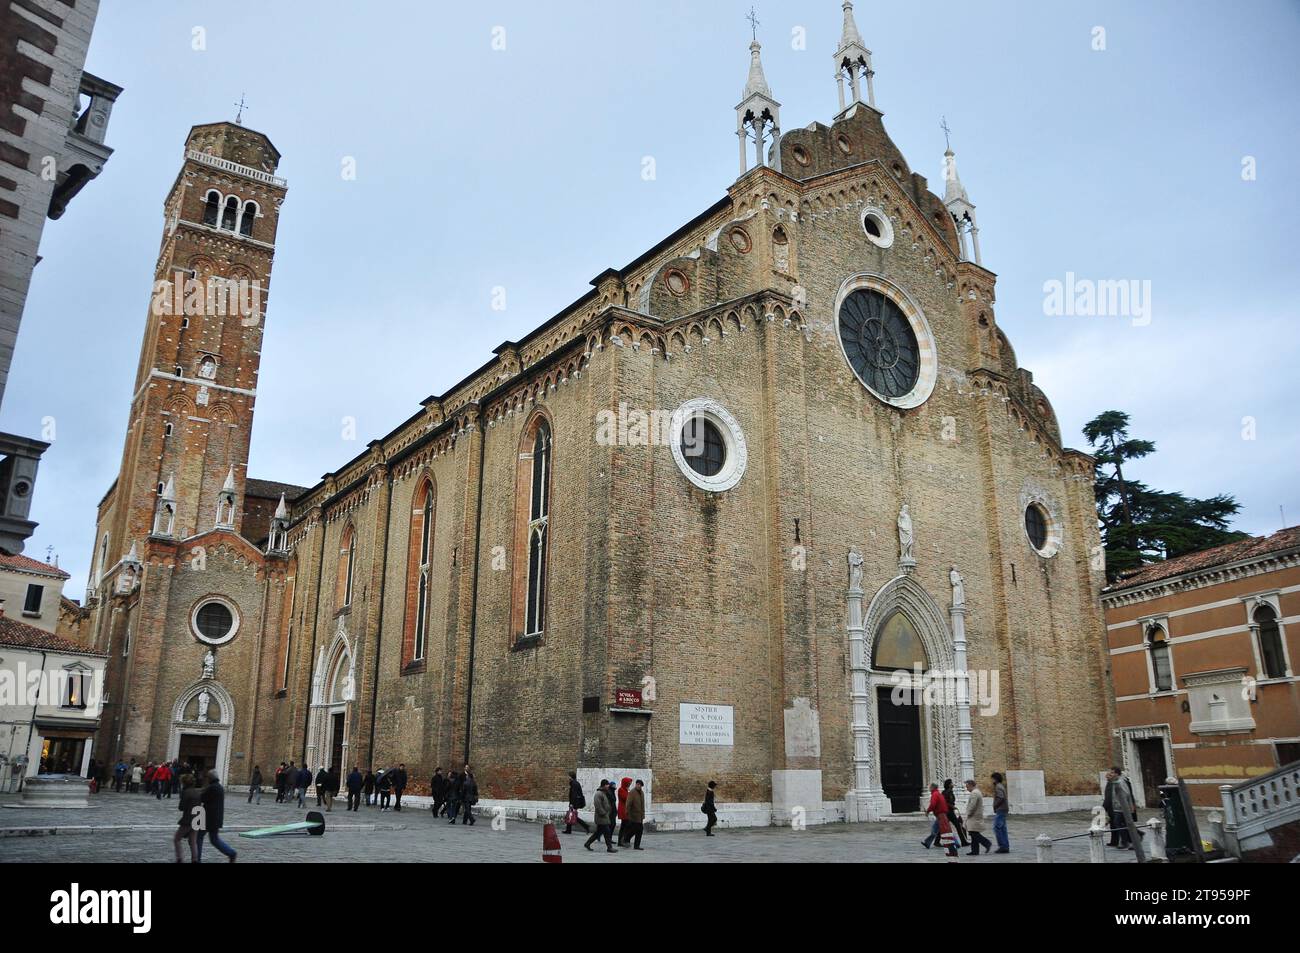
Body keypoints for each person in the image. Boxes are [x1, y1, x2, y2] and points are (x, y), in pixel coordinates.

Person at [196, 770, 237, 863]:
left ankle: (197, 859)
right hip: (216, 818)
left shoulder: (212, 788)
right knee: (214, 839)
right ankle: (231, 853)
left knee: (199, 837)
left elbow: (202, 798)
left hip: (207, 818)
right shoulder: (219, 787)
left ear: (210, 778)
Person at [1107, 766, 1146, 861]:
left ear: (1117, 773)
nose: (1110, 774)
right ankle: (1136, 836)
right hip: (1117, 808)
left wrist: (1129, 807)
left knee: (1119, 823)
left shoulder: (1121, 782)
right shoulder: (1114, 782)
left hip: (1122, 808)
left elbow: (1126, 794)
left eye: (1112, 773)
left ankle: (1126, 842)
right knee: (1123, 824)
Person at [173, 773, 202, 863]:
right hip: (197, 819)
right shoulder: (197, 792)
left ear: (184, 783)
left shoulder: (186, 792)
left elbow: (181, 807)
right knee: (193, 841)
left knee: (177, 838)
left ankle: (179, 858)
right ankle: (195, 859)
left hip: (188, 819)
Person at [925, 783, 958, 857]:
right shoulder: (938, 793)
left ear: (932, 787)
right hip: (942, 814)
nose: (929, 788)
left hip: (941, 814)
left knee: (946, 830)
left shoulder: (935, 794)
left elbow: (933, 804)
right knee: (936, 829)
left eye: (930, 787)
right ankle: (927, 842)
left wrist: (928, 811)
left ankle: (956, 843)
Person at [584, 780, 617, 853]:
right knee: (607, 832)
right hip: (601, 817)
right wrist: (604, 813)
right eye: (607, 785)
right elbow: (598, 805)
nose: (608, 786)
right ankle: (609, 847)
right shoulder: (598, 794)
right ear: (603, 785)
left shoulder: (605, 793)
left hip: (605, 816)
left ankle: (587, 843)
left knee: (598, 833)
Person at [963, 780, 993, 856]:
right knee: (973, 832)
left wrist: (968, 814)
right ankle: (975, 850)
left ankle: (987, 843)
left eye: (967, 787)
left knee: (973, 833)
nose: (967, 789)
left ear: (970, 785)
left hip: (974, 816)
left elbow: (972, 805)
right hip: (975, 815)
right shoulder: (976, 792)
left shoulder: (974, 793)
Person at [943, 778, 968, 847]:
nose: (953, 784)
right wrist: (952, 806)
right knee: (958, 826)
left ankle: (936, 841)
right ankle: (963, 842)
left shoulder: (948, 791)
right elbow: (945, 802)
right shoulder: (947, 792)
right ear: (948, 785)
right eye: (951, 783)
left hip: (948, 811)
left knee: (944, 827)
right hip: (949, 812)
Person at [624, 779, 646, 850]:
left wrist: (643, 814)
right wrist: (627, 812)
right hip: (633, 814)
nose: (638, 786)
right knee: (635, 829)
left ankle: (636, 845)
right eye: (637, 784)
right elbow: (628, 803)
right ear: (636, 784)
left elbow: (643, 804)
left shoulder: (642, 793)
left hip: (640, 815)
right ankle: (626, 838)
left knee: (639, 830)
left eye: (640, 785)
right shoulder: (632, 792)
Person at [991, 771, 1009, 853]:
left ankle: (1002, 846)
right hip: (1003, 809)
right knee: (1002, 828)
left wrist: (995, 806)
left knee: (997, 827)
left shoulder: (998, 787)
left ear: (995, 779)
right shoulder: (1001, 786)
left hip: (1001, 809)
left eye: (992, 779)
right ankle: (1005, 846)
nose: (991, 781)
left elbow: (1001, 797)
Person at [615, 777, 632, 845]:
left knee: (627, 826)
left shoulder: (626, 790)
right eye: (629, 783)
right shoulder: (621, 790)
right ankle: (620, 841)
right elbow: (626, 798)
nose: (630, 784)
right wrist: (629, 792)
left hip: (627, 810)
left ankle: (624, 839)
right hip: (623, 810)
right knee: (624, 826)